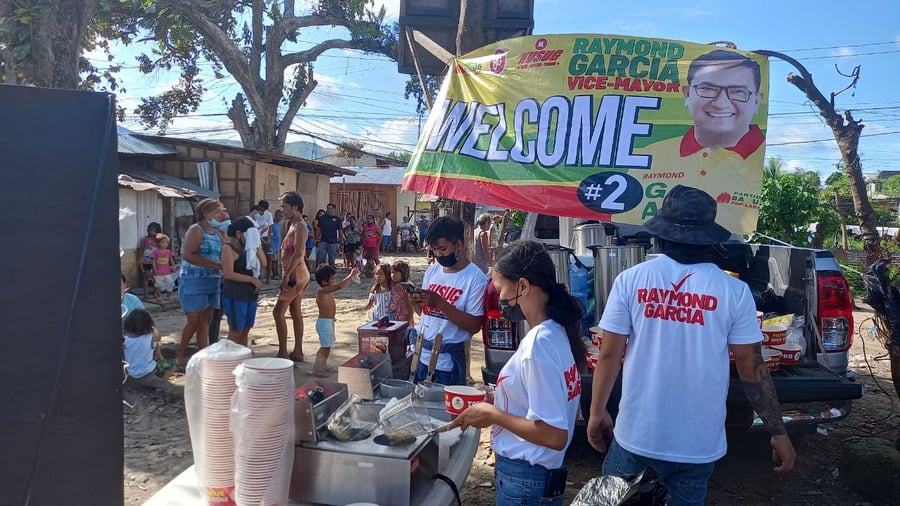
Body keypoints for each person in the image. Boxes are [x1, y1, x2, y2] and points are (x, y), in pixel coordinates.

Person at [587, 185, 795, 505]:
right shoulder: (734, 292)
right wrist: (778, 432)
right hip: (697, 447)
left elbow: (610, 354)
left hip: (638, 437)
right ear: (710, 238)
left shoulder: (631, 280)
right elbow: (753, 370)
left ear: (661, 235)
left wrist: (597, 412)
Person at [446, 240, 585, 506]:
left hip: (526, 480)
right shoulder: (555, 332)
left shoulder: (539, 345)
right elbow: (541, 399)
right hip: (538, 477)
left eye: (500, 289)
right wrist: (500, 397)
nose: (499, 298)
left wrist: (492, 414)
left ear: (522, 285)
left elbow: (554, 435)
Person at [633, 49, 765, 233]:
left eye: (738, 91)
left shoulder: (764, 165)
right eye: (707, 89)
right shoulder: (649, 155)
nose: (721, 103)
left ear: (757, 101)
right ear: (687, 94)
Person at [409, 216, 488, 385]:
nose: (438, 254)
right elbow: (427, 315)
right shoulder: (433, 271)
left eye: (443, 249)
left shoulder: (475, 278)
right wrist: (416, 302)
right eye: (434, 250)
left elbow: (474, 325)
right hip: (422, 356)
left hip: (448, 364)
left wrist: (440, 303)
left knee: (446, 410)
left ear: (458, 244)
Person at [176, 198, 225, 368]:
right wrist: (215, 265)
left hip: (213, 281)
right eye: (217, 212)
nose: (220, 215)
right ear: (206, 213)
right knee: (194, 321)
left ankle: (202, 356)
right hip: (193, 280)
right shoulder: (195, 230)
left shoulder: (218, 232)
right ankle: (180, 355)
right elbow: (189, 255)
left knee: (206, 321)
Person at [274, 192, 311, 362]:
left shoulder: (300, 226)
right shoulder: (293, 224)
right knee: (295, 310)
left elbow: (299, 253)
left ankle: (283, 352)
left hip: (295, 274)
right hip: (296, 272)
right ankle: (297, 351)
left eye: (285, 207)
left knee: (278, 312)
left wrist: (286, 275)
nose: (283, 210)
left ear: (295, 207)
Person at [221, 217, 266, 346]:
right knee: (236, 332)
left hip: (250, 293)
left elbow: (263, 262)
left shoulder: (249, 249)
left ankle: (242, 357)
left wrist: (256, 246)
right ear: (239, 234)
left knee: (245, 330)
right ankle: (229, 360)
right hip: (236, 293)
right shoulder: (228, 248)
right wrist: (252, 280)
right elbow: (228, 274)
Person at [312, 265, 360, 377]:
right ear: (324, 281)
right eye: (332, 279)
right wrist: (350, 276)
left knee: (328, 346)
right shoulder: (321, 291)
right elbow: (339, 286)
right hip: (324, 323)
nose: (334, 281)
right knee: (324, 347)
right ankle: (317, 368)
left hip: (329, 322)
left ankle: (323, 366)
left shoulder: (327, 291)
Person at [123, 309, 180, 397]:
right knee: (172, 367)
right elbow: (158, 336)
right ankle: (162, 381)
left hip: (131, 373)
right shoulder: (150, 338)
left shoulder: (125, 340)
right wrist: (153, 327)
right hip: (148, 372)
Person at [316, 203, 343, 268]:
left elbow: (340, 231)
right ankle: (320, 270)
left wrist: (341, 241)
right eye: (328, 208)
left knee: (332, 259)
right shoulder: (322, 218)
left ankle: (331, 272)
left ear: (334, 209)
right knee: (321, 257)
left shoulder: (337, 219)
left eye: (331, 208)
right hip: (323, 241)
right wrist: (316, 238)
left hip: (333, 242)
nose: (329, 210)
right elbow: (319, 228)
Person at [139, 223, 161, 300]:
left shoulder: (159, 240)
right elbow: (142, 249)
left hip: (156, 262)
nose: (152, 232)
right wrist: (140, 258)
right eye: (150, 230)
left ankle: (156, 293)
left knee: (156, 278)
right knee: (146, 278)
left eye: (154, 230)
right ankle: (145, 295)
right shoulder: (145, 240)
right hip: (146, 261)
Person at [151, 234, 177, 300]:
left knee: (170, 282)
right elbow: (153, 261)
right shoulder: (155, 252)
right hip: (158, 272)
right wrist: (154, 269)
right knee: (158, 284)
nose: (165, 244)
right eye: (162, 242)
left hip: (167, 272)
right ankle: (159, 296)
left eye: (166, 242)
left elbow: (171, 260)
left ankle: (169, 296)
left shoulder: (168, 252)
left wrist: (173, 266)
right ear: (158, 243)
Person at [390, 260, 414, 326]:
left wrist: (409, 321)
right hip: (392, 318)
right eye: (392, 272)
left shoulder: (407, 287)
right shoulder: (392, 285)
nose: (393, 275)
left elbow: (411, 306)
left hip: (404, 318)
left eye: (396, 273)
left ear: (403, 273)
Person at [269, 209, 283, 280]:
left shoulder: (278, 225)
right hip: (273, 245)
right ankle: (274, 274)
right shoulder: (272, 224)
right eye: (280, 216)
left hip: (277, 245)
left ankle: (277, 273)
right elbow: (270, 235)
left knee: (276, 260)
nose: (281, 218)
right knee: (273, 260)